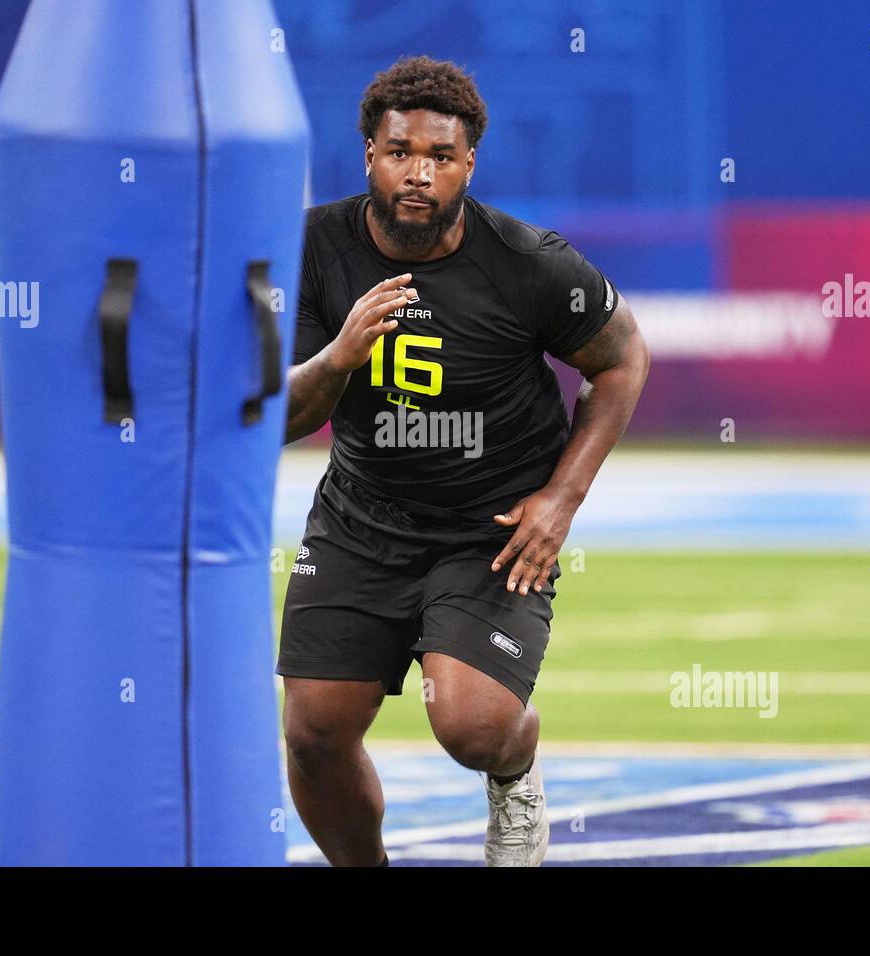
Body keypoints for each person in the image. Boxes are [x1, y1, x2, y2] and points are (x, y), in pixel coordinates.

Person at [278, 55, 649, 866]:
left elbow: (623, 360)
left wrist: (561, 500)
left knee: (473, 727)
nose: (419, 174)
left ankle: (516, 774)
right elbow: (281, 418)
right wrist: (340, 356)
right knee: (314, 731)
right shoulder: (311, 250)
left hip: (493, 529)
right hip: (361, 517)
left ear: (468, 164)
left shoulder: (526, 261)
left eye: (440, 157)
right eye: (400, 151)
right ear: (368, 154)